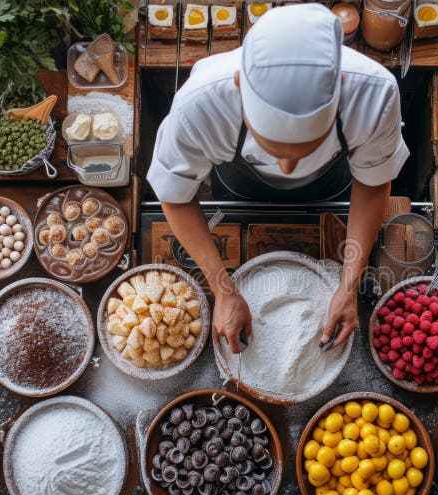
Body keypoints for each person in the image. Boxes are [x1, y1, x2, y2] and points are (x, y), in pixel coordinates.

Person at [147, 3, 409, 354]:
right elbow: (175, 195)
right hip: (240, 189)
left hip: (332, 188)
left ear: (342, 89)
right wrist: (223, 290)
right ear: (239, 87)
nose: (287, 169)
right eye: (272, 148)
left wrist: (348, 286)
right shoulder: (199, 103)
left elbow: (374, 183)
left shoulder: (375, 95)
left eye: (306, 149)